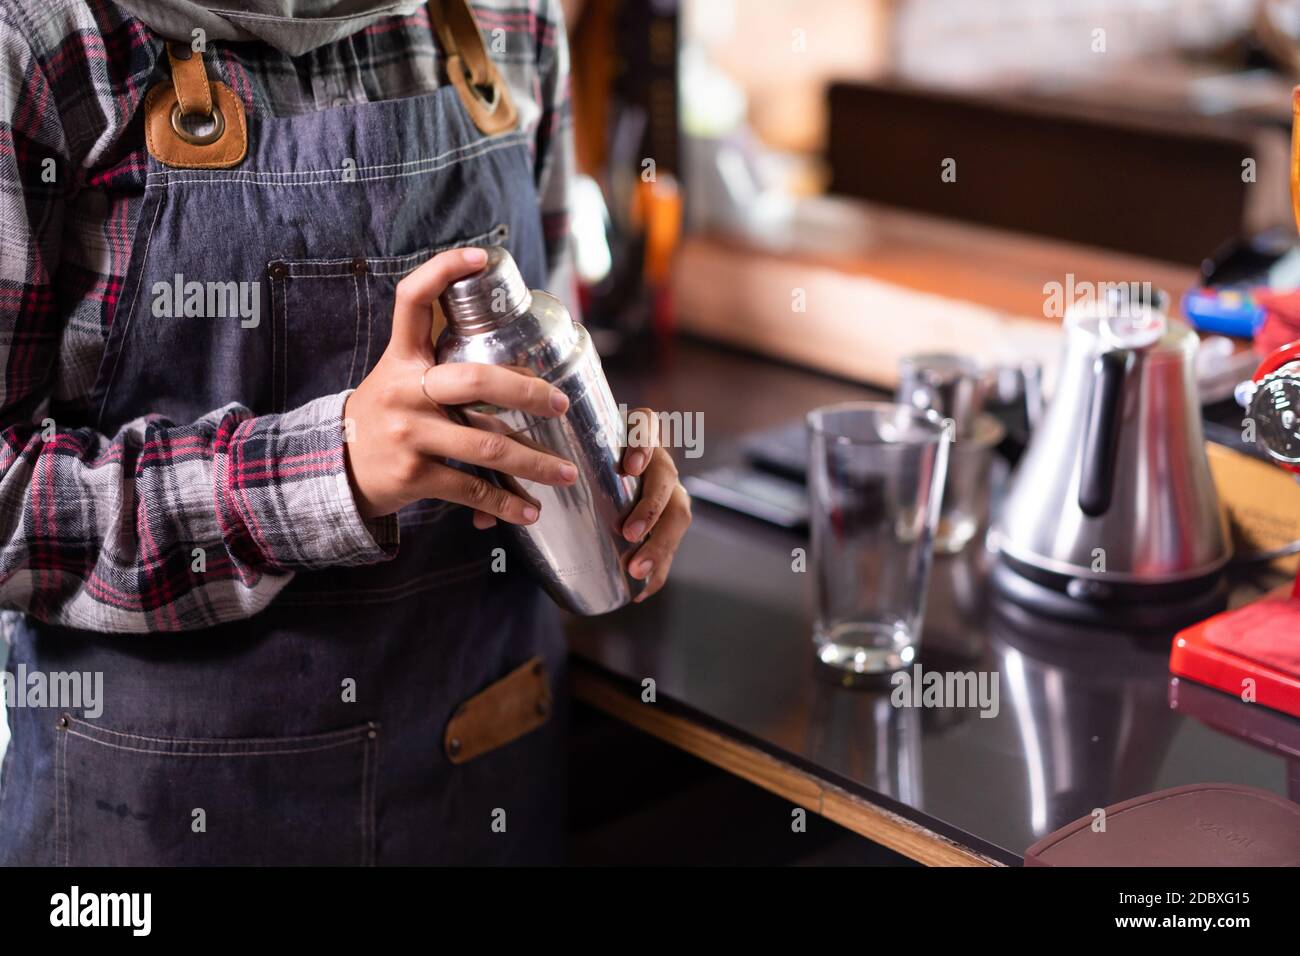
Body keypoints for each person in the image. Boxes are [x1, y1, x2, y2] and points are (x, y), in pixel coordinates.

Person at [0, 0, 691, 865]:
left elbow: (540, 349)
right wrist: (323, 476)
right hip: (165, 820)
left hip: (479, 782)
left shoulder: (516, 17)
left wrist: (603, 459)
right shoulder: (41, 37)